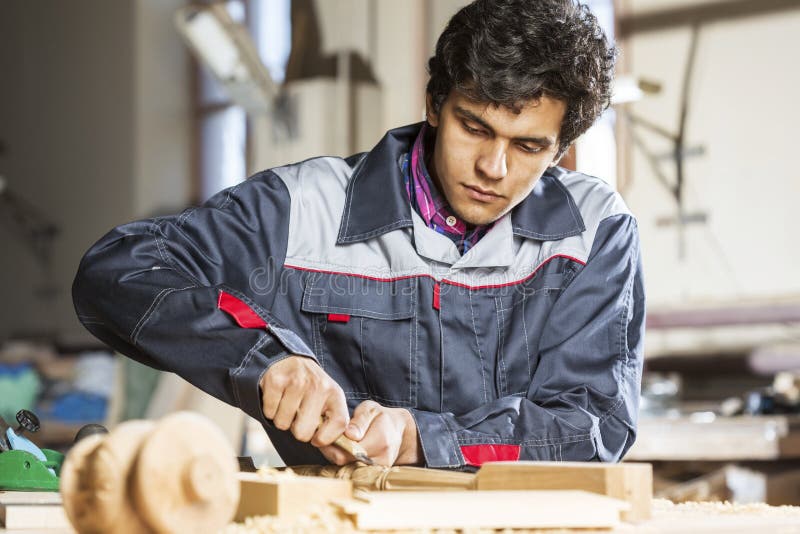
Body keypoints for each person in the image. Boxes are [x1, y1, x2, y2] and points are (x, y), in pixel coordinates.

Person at [73, 0, 644, 469]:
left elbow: (593, 426)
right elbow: (117, 270)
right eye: (475, 127)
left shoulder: (594, 231)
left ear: (561, 146)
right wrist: (264, 358)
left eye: (528, 147)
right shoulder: (303, 210)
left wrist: (420, 437)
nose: (494, 168)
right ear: (435, 105)